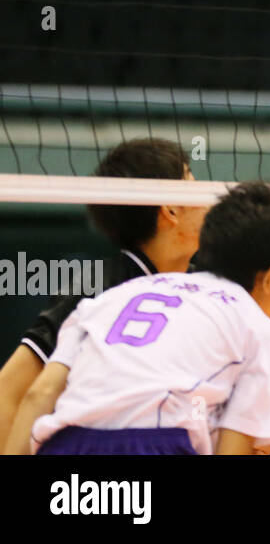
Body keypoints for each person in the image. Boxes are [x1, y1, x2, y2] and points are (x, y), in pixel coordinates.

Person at [4, 181, 270, 455]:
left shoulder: (109, 298)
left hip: (65, 444)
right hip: (157, 444)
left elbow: (39, 394)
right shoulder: (260, 330)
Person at [0, 138, 208, 452]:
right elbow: (11, 390)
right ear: (171, 209)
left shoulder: (209, 289)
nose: (211, 196)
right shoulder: (94, 289)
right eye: (194, 184)